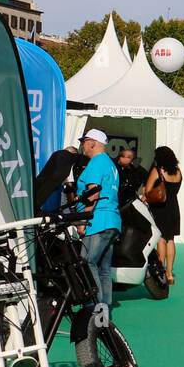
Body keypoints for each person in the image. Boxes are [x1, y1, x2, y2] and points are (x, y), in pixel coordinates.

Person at [75, 129, 121, 328]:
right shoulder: (110, 164)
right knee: (103, 268)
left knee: (87, 262)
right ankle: (104, 312)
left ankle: (96, 310)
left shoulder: (96, 162)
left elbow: (93, 192)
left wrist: (83, 220)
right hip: (111, 220)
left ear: (92, 142)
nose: (82, 146)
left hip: (98, 220)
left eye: (84, 141)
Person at [144, 146, 183, 286]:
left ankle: (160, 271)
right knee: (170, 239)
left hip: (160, 208)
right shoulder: (178, 172)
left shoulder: (158, 170)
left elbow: (148, 190)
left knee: (160, 239)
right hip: (174, 207)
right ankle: (170, 273)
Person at [116, 144, 147, 210]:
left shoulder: (138, 170)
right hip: (116, 202)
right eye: (129, 157)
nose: (131, 160)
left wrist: (145, 195)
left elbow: (148, 180)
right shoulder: (114, 167)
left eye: (131, 157)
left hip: (130, 203)